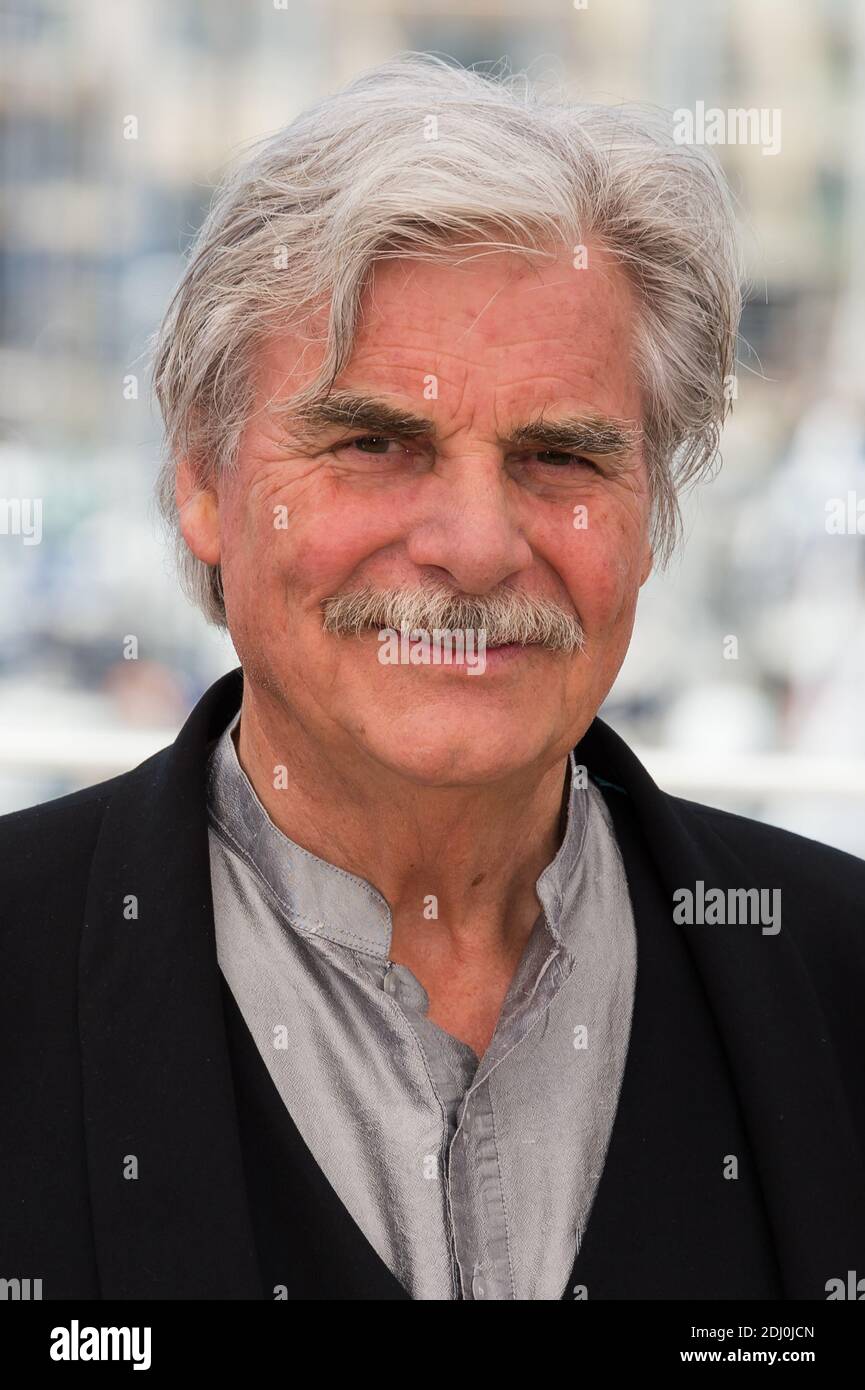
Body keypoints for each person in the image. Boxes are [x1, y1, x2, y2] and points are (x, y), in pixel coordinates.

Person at [1, 54, 863, 1302]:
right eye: (375, 443)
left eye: (559, 453)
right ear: (201, 481)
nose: (474, 544)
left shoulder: (835, 981)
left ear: (652, 512)